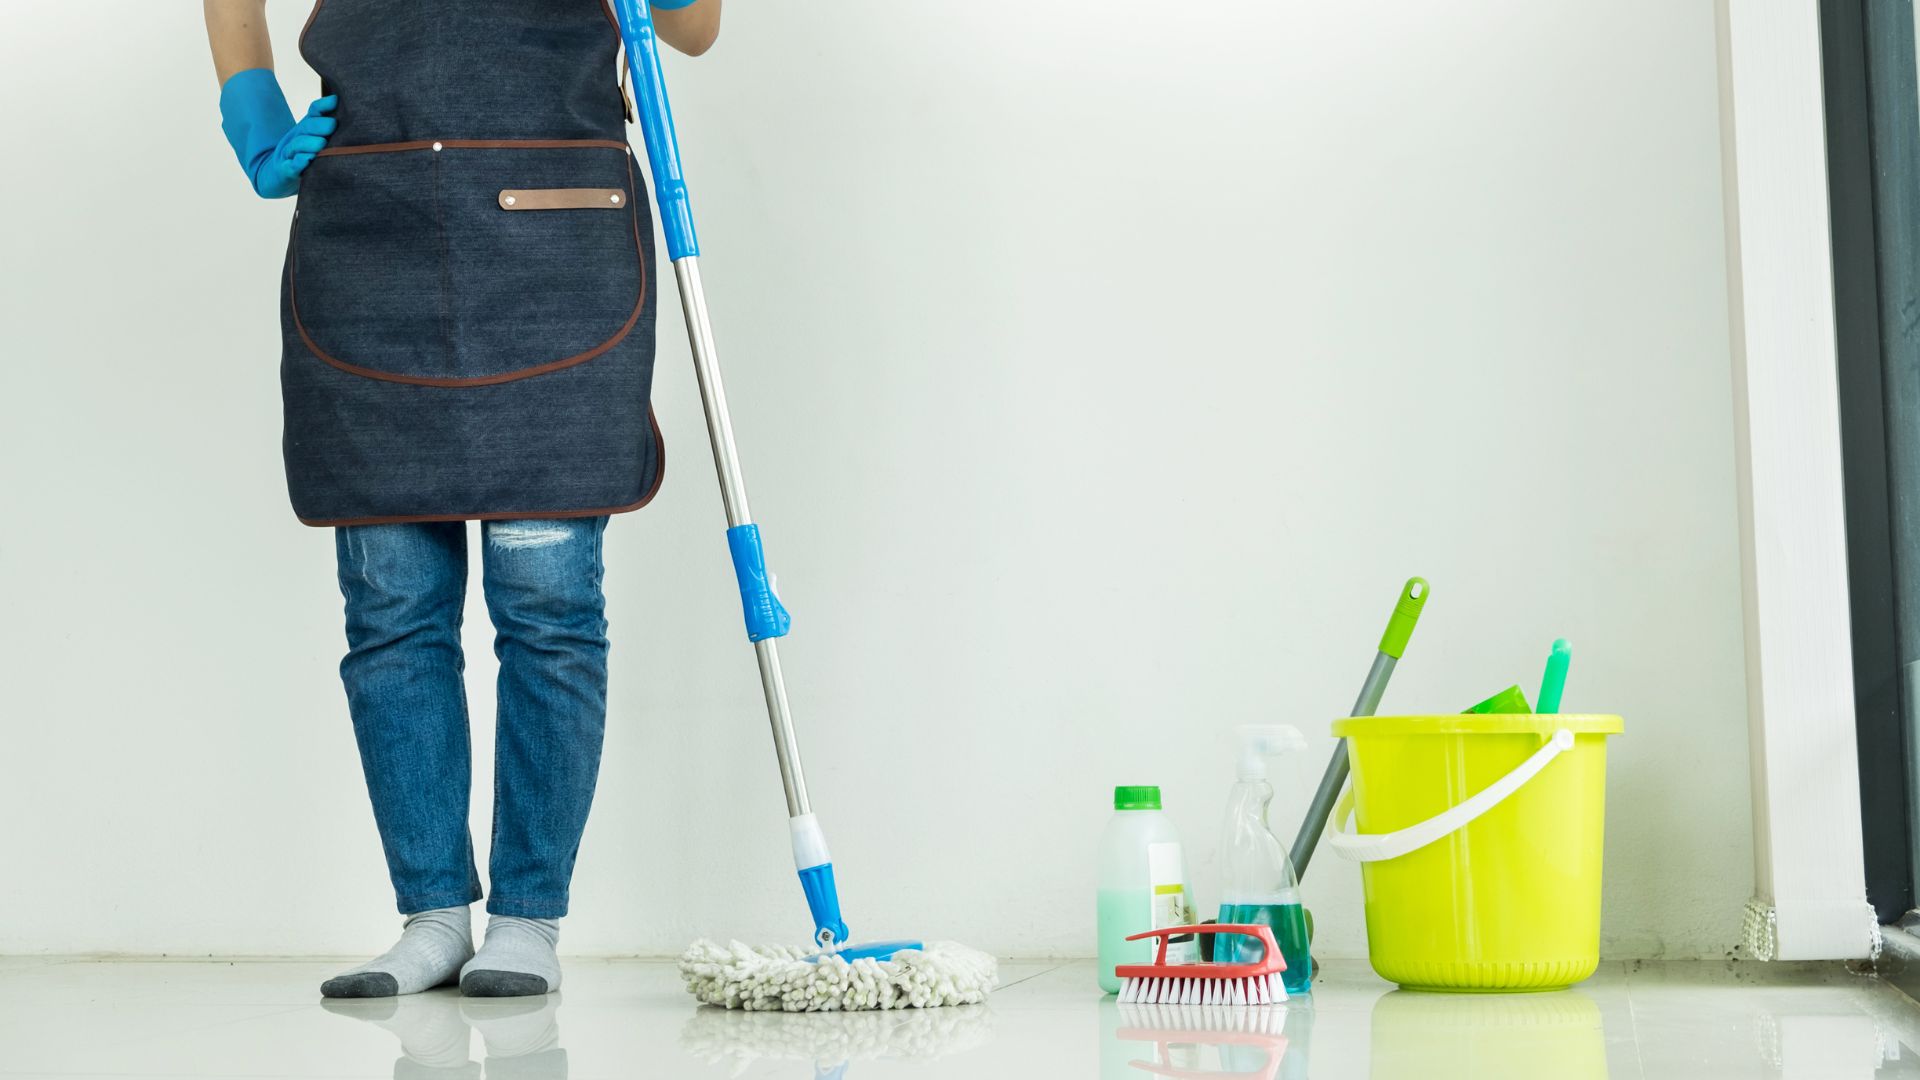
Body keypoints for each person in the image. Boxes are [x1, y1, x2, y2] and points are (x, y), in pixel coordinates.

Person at [202, 0, 722, 999]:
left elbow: (695, 28)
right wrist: (247, 95)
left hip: (554, 241)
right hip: (370, 232)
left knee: (548, 607)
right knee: (392, 609)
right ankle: (433, 917)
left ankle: (527, 921)